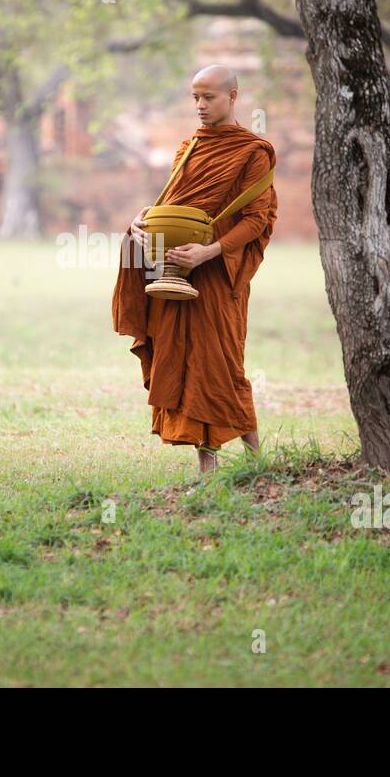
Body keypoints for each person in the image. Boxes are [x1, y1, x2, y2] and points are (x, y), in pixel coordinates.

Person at [111, 64, 277, 475]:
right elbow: (173, 204)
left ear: (233, 96)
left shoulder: (252, 153)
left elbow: (257, 220)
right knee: (186, 361)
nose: (200, 106)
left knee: (222, 363)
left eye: (209, 97)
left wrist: (208, 253)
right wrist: (140, 220)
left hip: (217, 274)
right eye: (195, 98)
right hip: (173, 269)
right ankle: (209, 469)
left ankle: (258, 461)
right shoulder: (187, 148)